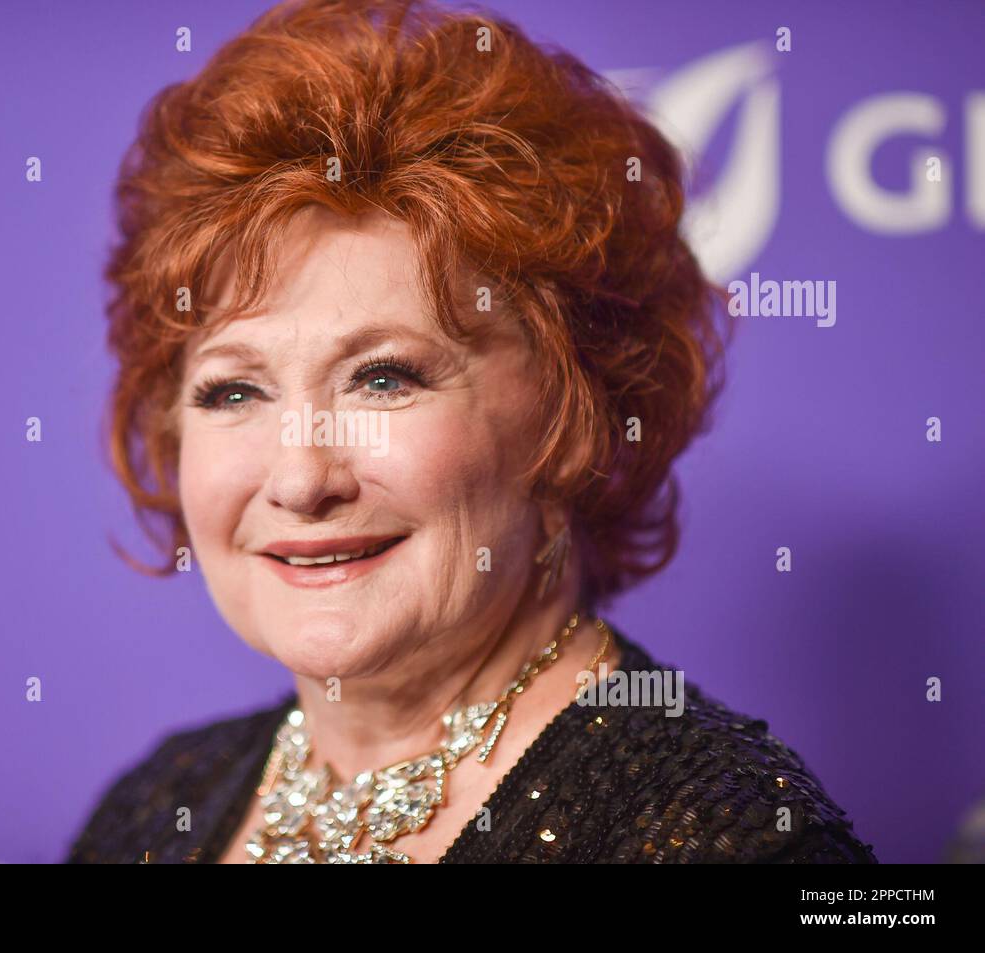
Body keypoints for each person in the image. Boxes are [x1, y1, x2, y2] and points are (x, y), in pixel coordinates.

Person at [66, 0, 877, 864]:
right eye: (233, 391)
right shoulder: (156, 805)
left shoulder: (738, 841)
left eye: (384, 378)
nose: (302, 478)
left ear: (572, 419)